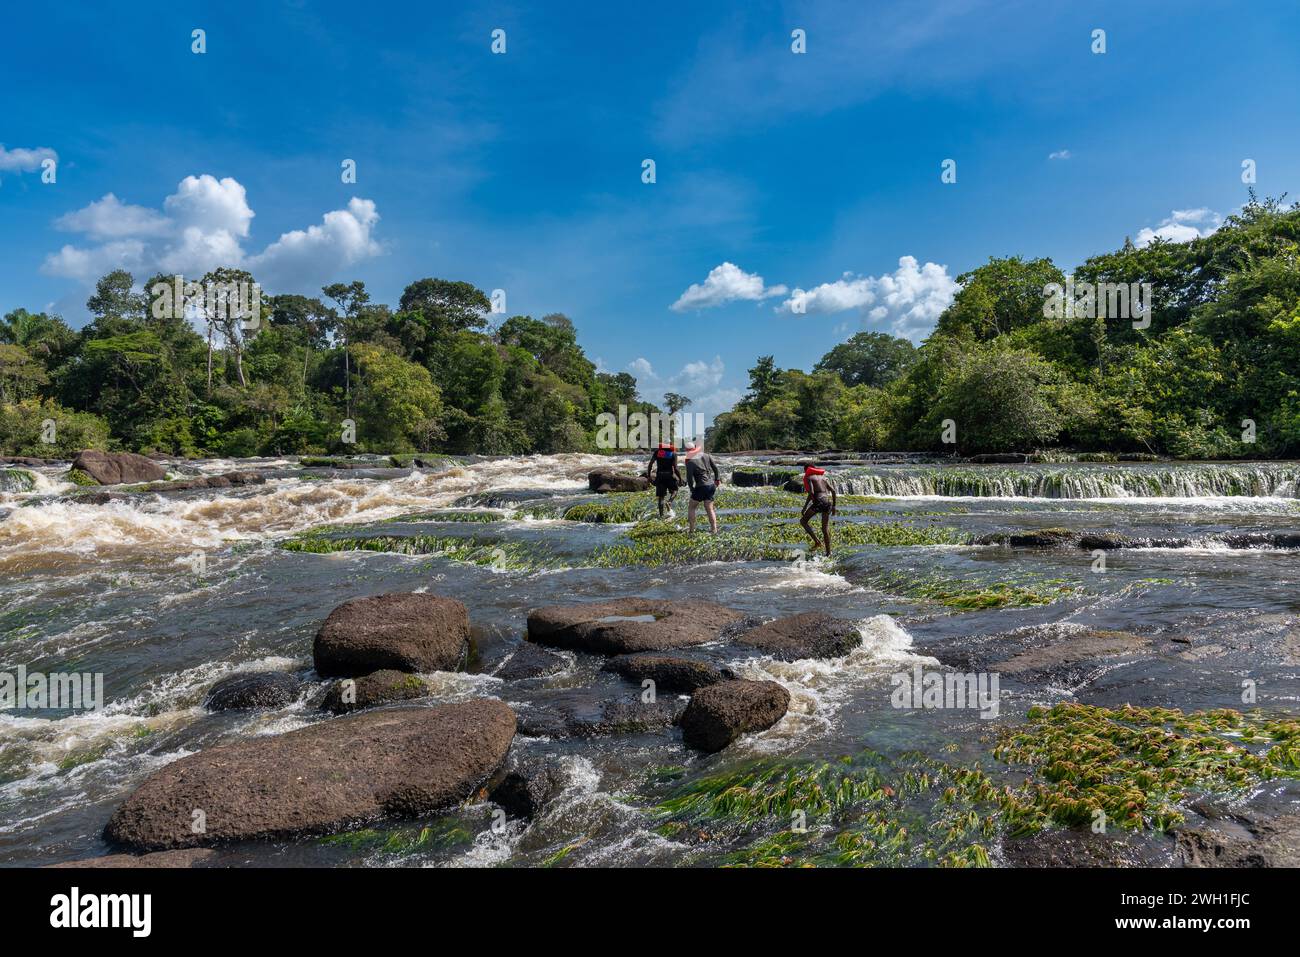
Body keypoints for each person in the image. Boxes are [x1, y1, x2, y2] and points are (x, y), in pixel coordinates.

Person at [684, 441, 723, 533]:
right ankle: (714, 529)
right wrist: (717, 479)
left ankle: (692, 529)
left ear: (687, 451)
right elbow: (716, 469)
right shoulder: (707, 455)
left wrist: (691, 488)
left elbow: (689, 478)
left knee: (692, 507)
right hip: (711, 485)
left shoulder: (690, 462)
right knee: (709, 508)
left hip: (701, 486)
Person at [799, 465, 837, 556]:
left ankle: (817, 542)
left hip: (818, 502)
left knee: (803, 521)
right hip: (828, 503)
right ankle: (828, 553)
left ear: (807, 470)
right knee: (825, 529)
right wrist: (834, 507)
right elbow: (833, 491)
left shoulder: (809, 477)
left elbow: (811, 492)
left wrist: (807, 506)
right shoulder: (823, 478)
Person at [646, 442, 683, 518]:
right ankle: (669, 502)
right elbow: (676, 468)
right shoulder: (673, 454)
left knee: (661, 497)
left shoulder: (657, 452)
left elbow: (650, 464)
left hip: (660, 476)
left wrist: (649, 476)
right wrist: (680, 478)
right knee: (675, 490)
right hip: (669, 475)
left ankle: (661, 516)